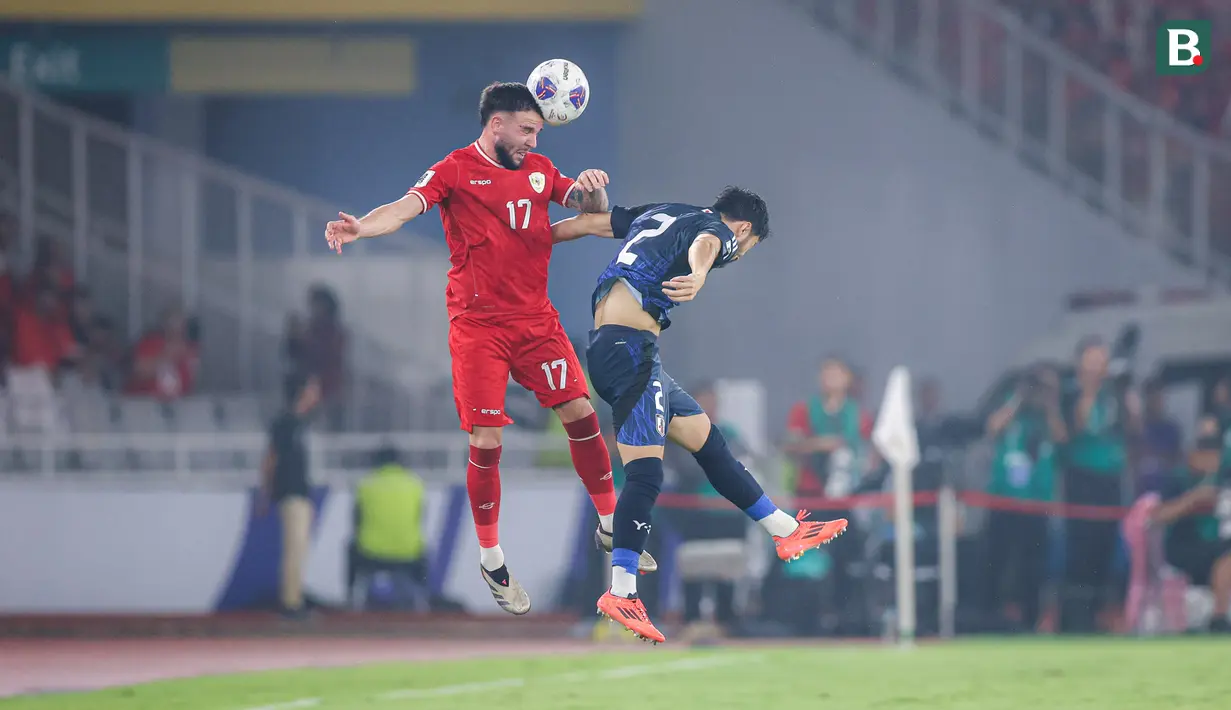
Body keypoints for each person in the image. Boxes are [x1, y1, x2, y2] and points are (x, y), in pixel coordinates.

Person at [324, 82, 653, 615]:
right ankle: (492, 557)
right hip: (479, 326)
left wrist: (592, 187)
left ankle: (612, 523)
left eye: (538, 131)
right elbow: (406, 208)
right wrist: (363, 226)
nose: (532, 140)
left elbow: (589, 208)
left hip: (536, 321)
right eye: (525, 130)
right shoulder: (455, 169)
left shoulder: (541, 170)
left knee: (581, 410)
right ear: (495, 123)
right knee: (486, 435)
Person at [551, 188, 848, 644]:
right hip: (627, 350)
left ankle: (786, 530)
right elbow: (707, 246)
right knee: (646, 476)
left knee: (710, 444)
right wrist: (699, 276)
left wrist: (531, 239)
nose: (742, 252)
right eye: (747, 248)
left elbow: (590, 224)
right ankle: (621, 590)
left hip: (633, 351)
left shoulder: (664, 211)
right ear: (745, 229)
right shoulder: (719, 231)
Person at [259, 374, 322, 619]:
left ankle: (294, 597)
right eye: (312, 389)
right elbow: (270, 460)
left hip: (300, 493)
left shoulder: (301, 423)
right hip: (289, 492)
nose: (316, 395)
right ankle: (290, 603)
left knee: (300, 549)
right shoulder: (285, 424)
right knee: (294, 549)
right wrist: (266, 493)